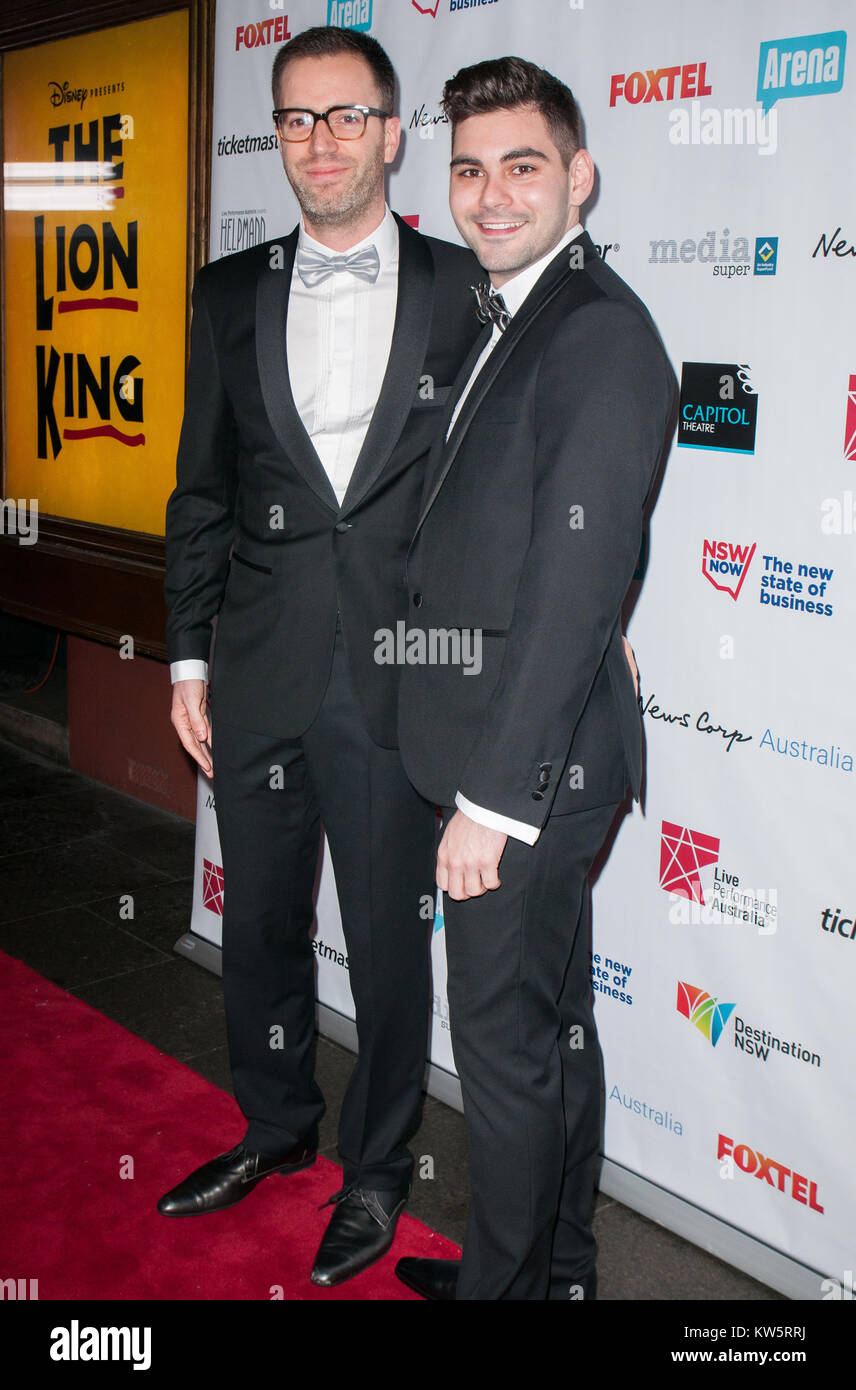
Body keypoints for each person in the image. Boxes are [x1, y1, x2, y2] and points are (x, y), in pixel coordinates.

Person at [160, 25, 481, 1288]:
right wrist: (186, 660)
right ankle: (275, 1127)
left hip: (403, 673)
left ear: (393, 134)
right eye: (297, 119)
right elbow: (202, 489)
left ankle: (379, 1167)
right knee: (261, 930)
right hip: (256, 666)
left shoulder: (468, 287)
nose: (321, 142)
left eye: (346, 117)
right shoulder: (227, 291)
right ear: (276, 135)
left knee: (392, 944)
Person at [395, 57, 676, 1301]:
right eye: (469, 167)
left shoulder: (598, 332)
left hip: (526, 778)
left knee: (505, 1054)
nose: (492, 194)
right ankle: (554, 1272)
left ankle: (504, 1292)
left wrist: (495, 801)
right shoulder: (506, 305)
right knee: (553, 1031)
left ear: (579, 176)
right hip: (523, 749)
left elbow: (574, 582)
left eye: (523, 166)